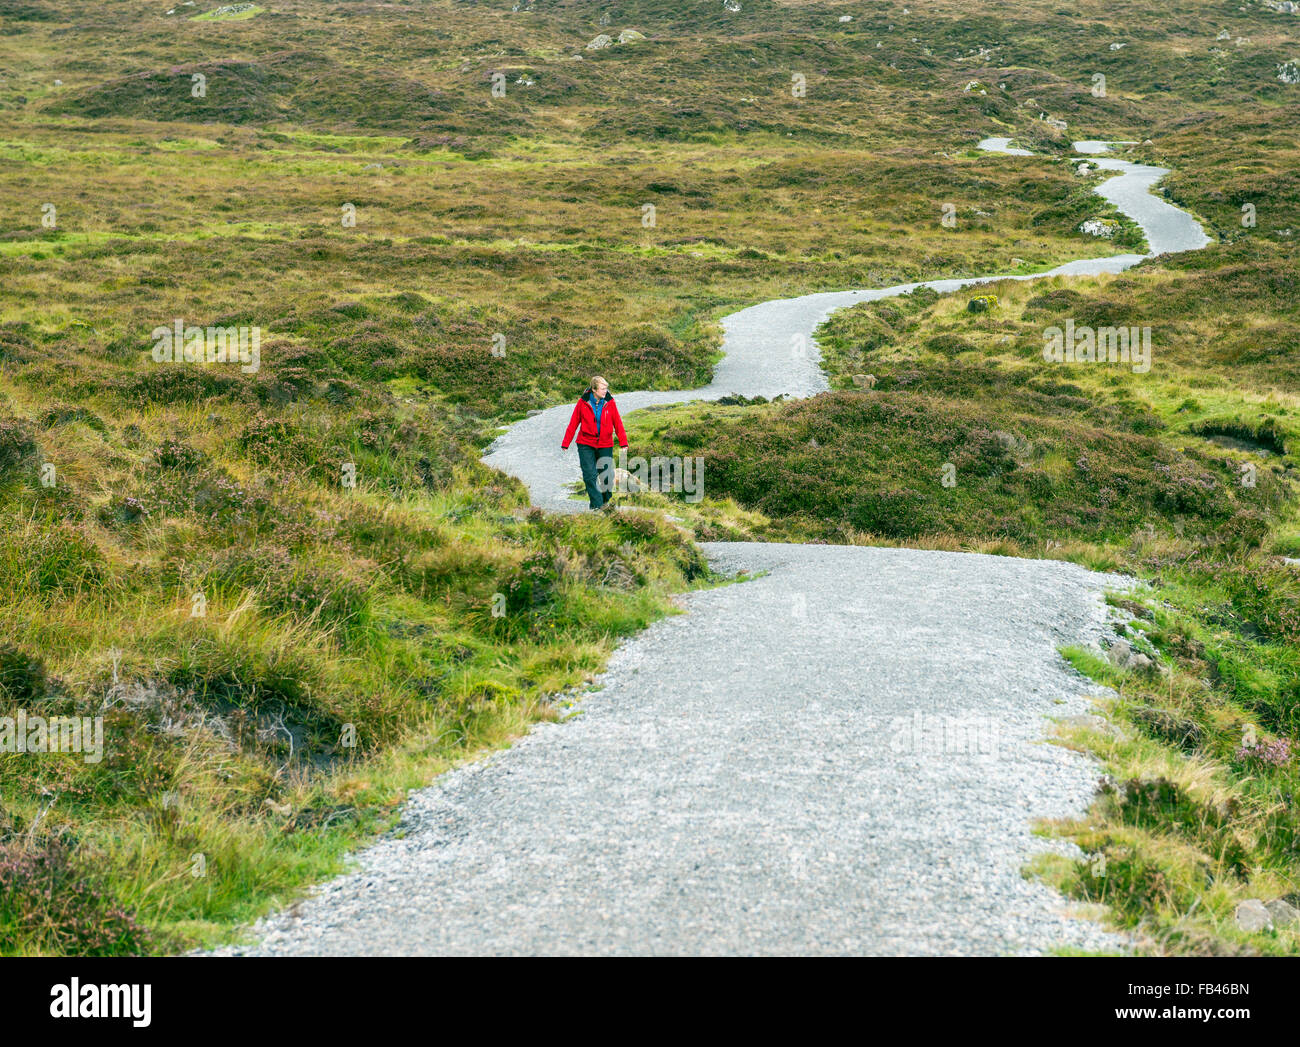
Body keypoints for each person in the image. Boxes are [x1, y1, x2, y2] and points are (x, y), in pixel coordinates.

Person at [561, 375, 628, 511]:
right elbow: (574, 423)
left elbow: (617, 422)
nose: (605, 391)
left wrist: (623, 442)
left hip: (605, 444)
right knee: (590, 475)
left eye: (606, 388)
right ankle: (597, 506)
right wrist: (565, 443)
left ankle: (607, 501)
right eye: (602, 388)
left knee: (607, 475)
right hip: (586, 443)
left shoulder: (610, 402)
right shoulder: (583, 403)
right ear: (594, 389)